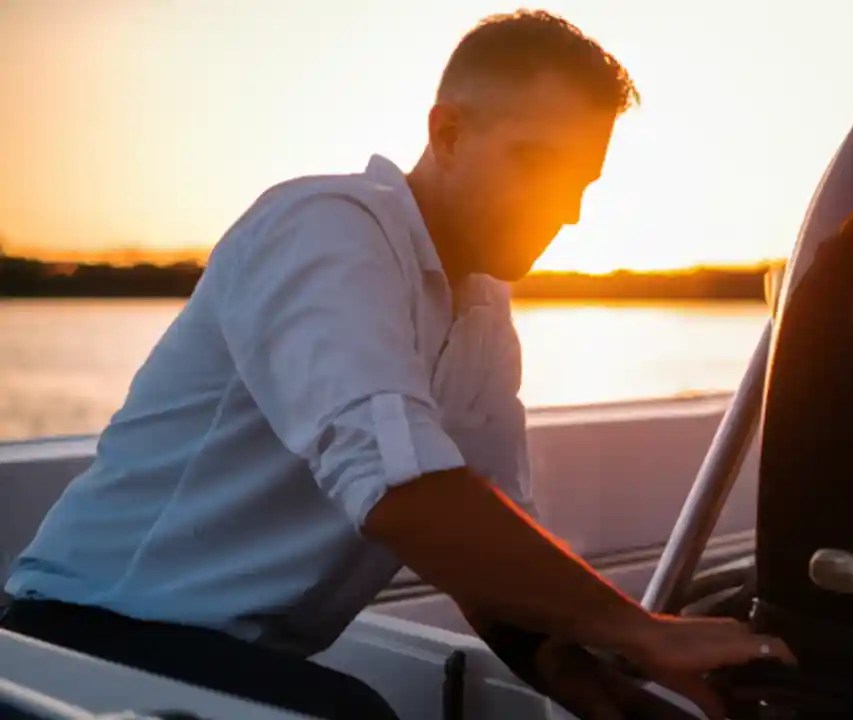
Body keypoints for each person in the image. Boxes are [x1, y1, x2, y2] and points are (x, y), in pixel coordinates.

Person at [0, 9, 793, 720]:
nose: (565, 210)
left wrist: (588, 685)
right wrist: (643, 631)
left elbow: (484, 552)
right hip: (84, 634)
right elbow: (401, 493)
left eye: (581, 183)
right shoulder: (323, 230)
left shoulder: (480, 307)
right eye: (537, 163)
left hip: (234, 663)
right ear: (446, 134)